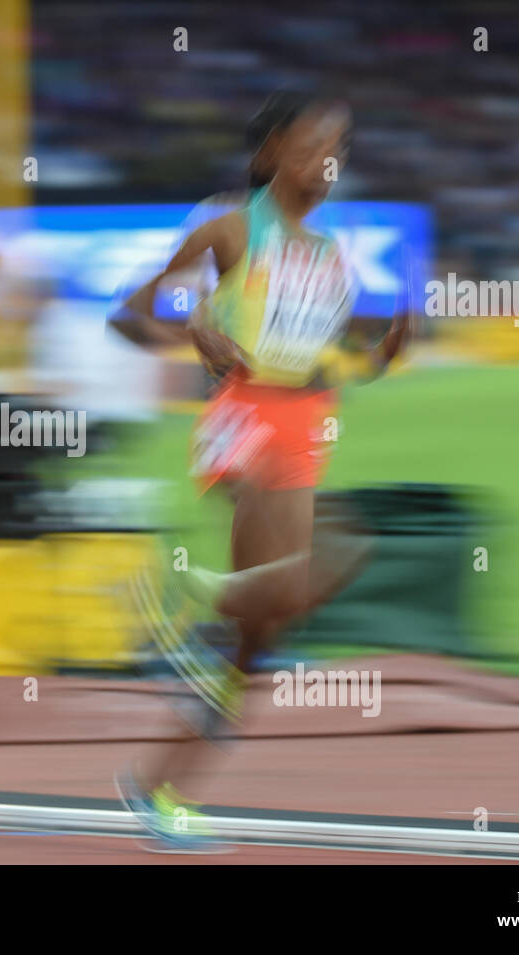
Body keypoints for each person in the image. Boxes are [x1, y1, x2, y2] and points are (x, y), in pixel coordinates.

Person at [112, 93, 412, 851]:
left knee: (258, 641)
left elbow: (326, 368)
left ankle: (159, 790)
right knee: (321, 561)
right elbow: (133, 310)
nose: (330, 160)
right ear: (273, 151)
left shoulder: (330, 258)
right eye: (316, 144)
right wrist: (193, 332)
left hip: (303, 427)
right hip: (247, 423)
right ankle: (185, 602)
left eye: (341, 146)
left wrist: (381, 357)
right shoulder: (230, 223)